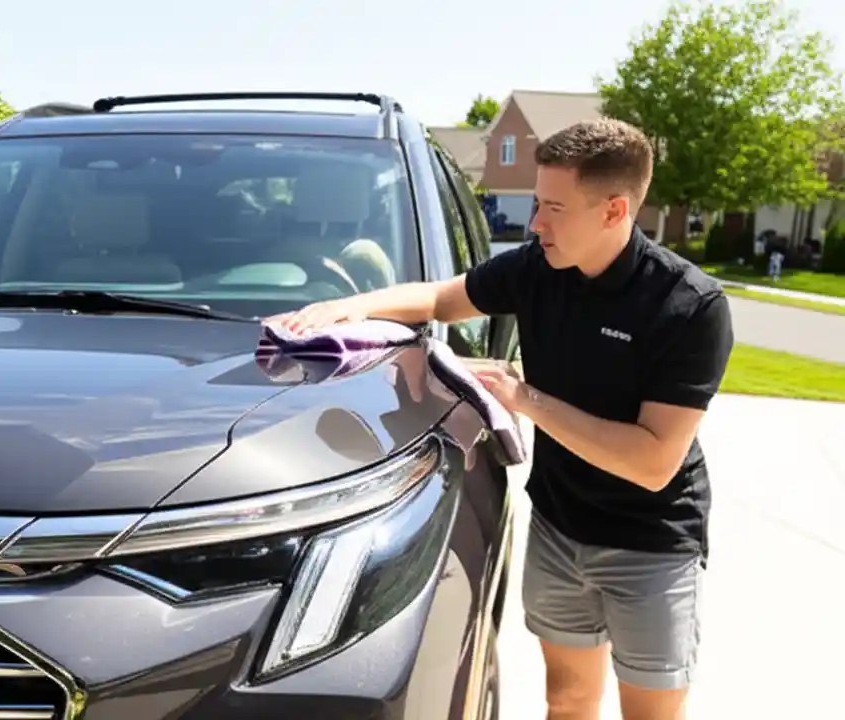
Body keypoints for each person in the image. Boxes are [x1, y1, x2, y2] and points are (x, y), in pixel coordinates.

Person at [268, 118, 733, 720]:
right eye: (537, 203)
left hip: (651, 546)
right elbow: (439, 299)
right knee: (566, 700)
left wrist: (526, 400)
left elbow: (652, 462)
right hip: (560, 527)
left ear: (615, 210)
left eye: (554, 208)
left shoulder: (689, 306)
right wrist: (343, 308)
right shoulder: (539, 268)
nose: (535, 223)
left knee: (650, 714)